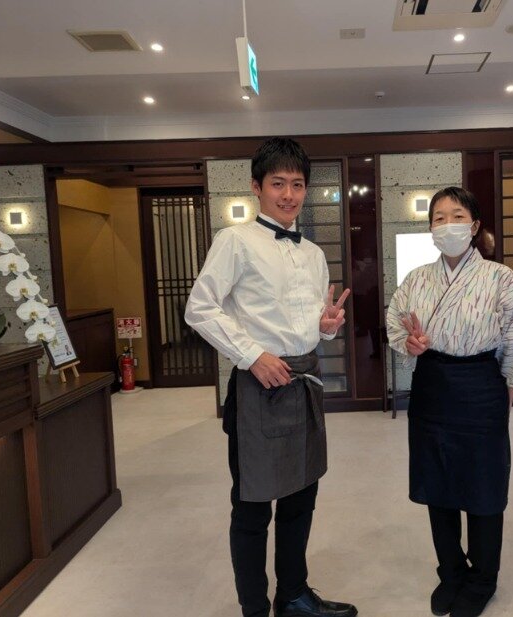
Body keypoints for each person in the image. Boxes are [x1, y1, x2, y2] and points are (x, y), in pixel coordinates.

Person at [185, 137, 357, 617]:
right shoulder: (235, 241)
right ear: (256, 187)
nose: (288, 194)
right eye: (278, 183)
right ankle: (254, 610)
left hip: (304, 381)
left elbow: (307, 327)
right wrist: (251, 355)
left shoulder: (313, 254)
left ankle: (293, 595)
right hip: (258, 386)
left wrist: (325, 327)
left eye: (297, 184)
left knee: (302, 495)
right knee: (253, 506)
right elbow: (199, 308)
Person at [386, 186, 513, 617]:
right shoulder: (417, 279)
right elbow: (395, 323)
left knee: (484, 484)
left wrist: (504, 404)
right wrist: (409, 343)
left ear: (474, 226)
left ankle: (483, 578)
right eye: (439, 218)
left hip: (481, 385)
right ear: (430, 228)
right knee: (438, 483)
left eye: (457, 216)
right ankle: (451, 571)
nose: (447, 225)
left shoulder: (500, 278)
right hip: (432, 385)